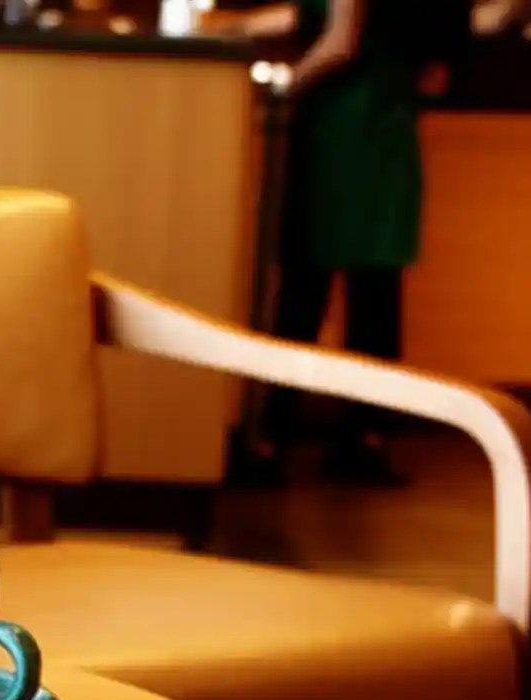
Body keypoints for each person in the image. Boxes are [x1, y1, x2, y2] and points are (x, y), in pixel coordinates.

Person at [204, 0, 471, 486]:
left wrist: (282, 89)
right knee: (374, 297)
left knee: (303, 297)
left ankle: (271, 440)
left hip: (345, 125)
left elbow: (339, 42)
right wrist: (239, 24)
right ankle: (362, 439)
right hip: (382, 125)